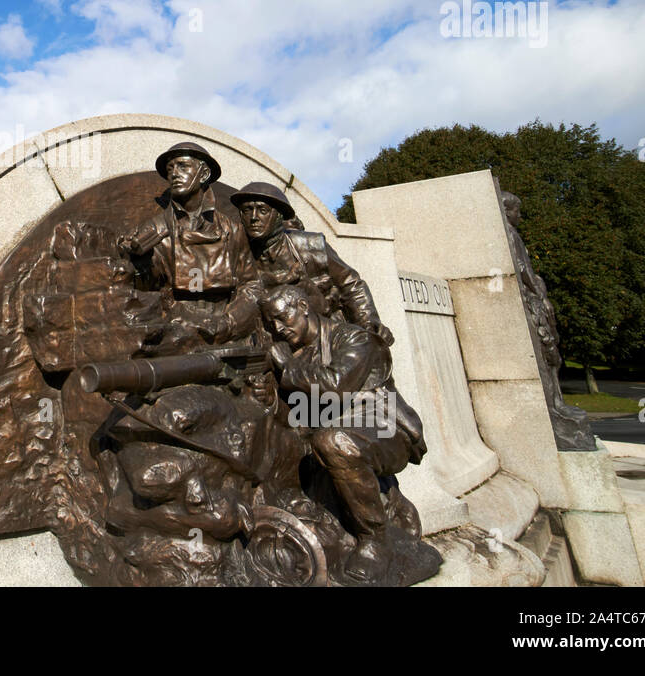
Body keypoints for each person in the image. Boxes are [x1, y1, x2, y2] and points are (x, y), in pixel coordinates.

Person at [258, 284, 425, 581]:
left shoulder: (353, 338)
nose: (279, 328)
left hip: (384, 427)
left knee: (333, 441)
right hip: (330, 434)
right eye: (272, 323)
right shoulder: (299, 351)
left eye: (284, 318)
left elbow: (335, 385)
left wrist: (287, 368)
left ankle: (375, 541)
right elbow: (297, 411)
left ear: (303, 306)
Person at [118, 142, 259, 348]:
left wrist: (230, 322)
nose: (174, 174)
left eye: (183, 166)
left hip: (227, 333)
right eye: (170, 169)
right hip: (177, 330)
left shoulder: (232, 230)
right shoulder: (156, 230)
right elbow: (148, 291)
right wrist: (136, 263)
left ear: (203, 174)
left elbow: (252, 286)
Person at [230, 181, 393, 347]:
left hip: (323, 337)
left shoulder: (311, 246)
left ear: (279, 215)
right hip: (274, 340)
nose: (254, 217)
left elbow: (350, 284)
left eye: (262, 210)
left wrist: (368, 323)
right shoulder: (238, 254)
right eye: (246, 210)